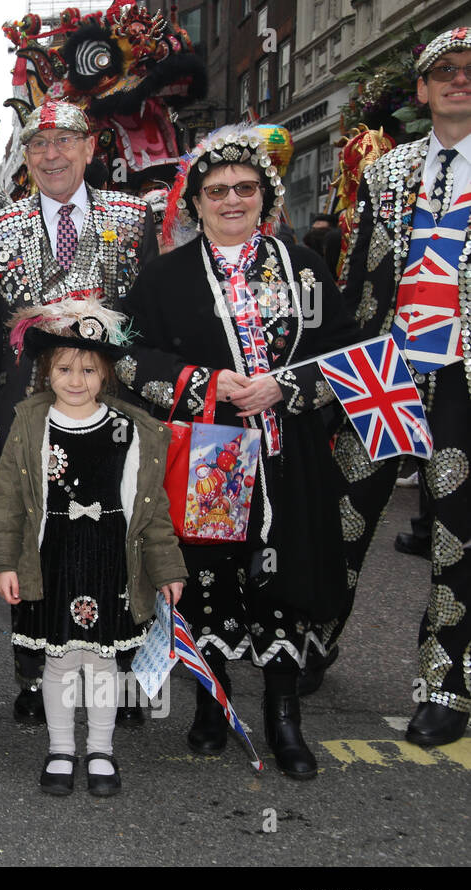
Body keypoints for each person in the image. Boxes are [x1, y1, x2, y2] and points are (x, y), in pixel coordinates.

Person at [122, 124, 358, 779]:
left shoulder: (304, 268)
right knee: (209, 578)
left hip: (288, 456)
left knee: (286, 577)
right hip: (210, 457)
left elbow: (348, 352)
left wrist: (287, 387)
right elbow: (130, 359)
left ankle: (285, 714)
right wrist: (205, 383)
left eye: (245, 188)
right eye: (217, 190)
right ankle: (211, 702)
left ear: (265, 195)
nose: (232, 200)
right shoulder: (164, 278)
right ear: (195, 201)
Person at [0, 98, 158, 727]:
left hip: (114, 401)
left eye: (63, 141)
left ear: (89, 148)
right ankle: (33, 670)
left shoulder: (133, 217)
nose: (51, 154)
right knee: (36, 537)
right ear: (27, 157)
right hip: (31, 407)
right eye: (39, 143)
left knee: (114, 530)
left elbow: (148, 317)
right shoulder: (2, 225)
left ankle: (119, 670)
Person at [323, 27, 471, 746]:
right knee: (343, 520)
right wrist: (340, 377)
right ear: (421, 88)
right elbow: (358, 278)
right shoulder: (387, 170)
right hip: (386, 372)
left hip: (462, 380)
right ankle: (311, 647)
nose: (459, 80)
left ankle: (444, 686)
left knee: (456, 540)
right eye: (445, 70)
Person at [0, 296, 185, 796]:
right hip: (50, 562)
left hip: (109, 562)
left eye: (90, 370)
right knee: (57, 661)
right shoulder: (30, 423)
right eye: (65, 368)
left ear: (107, 375)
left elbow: (152, 508)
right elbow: (6, 499)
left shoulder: (131, 429)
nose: (77, 380)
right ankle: (59, 749)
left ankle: (100, 749)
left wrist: (166, 568)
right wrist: (4, 561)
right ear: (45, 371)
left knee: (99, 662)